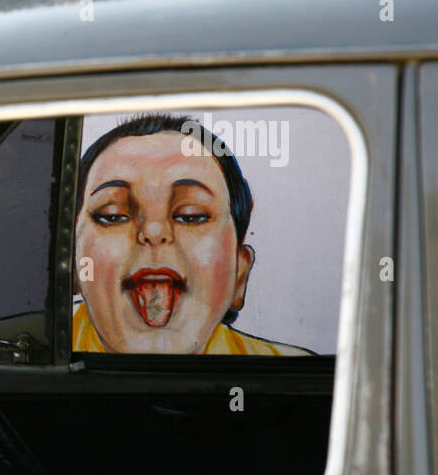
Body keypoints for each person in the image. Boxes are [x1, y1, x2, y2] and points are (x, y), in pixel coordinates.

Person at [72, 113, 311, 356]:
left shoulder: (291, 377)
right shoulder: (35, 362)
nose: (154, 232)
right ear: (72, 267)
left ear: (239, 274)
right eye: (113, 216)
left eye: (190, 215)